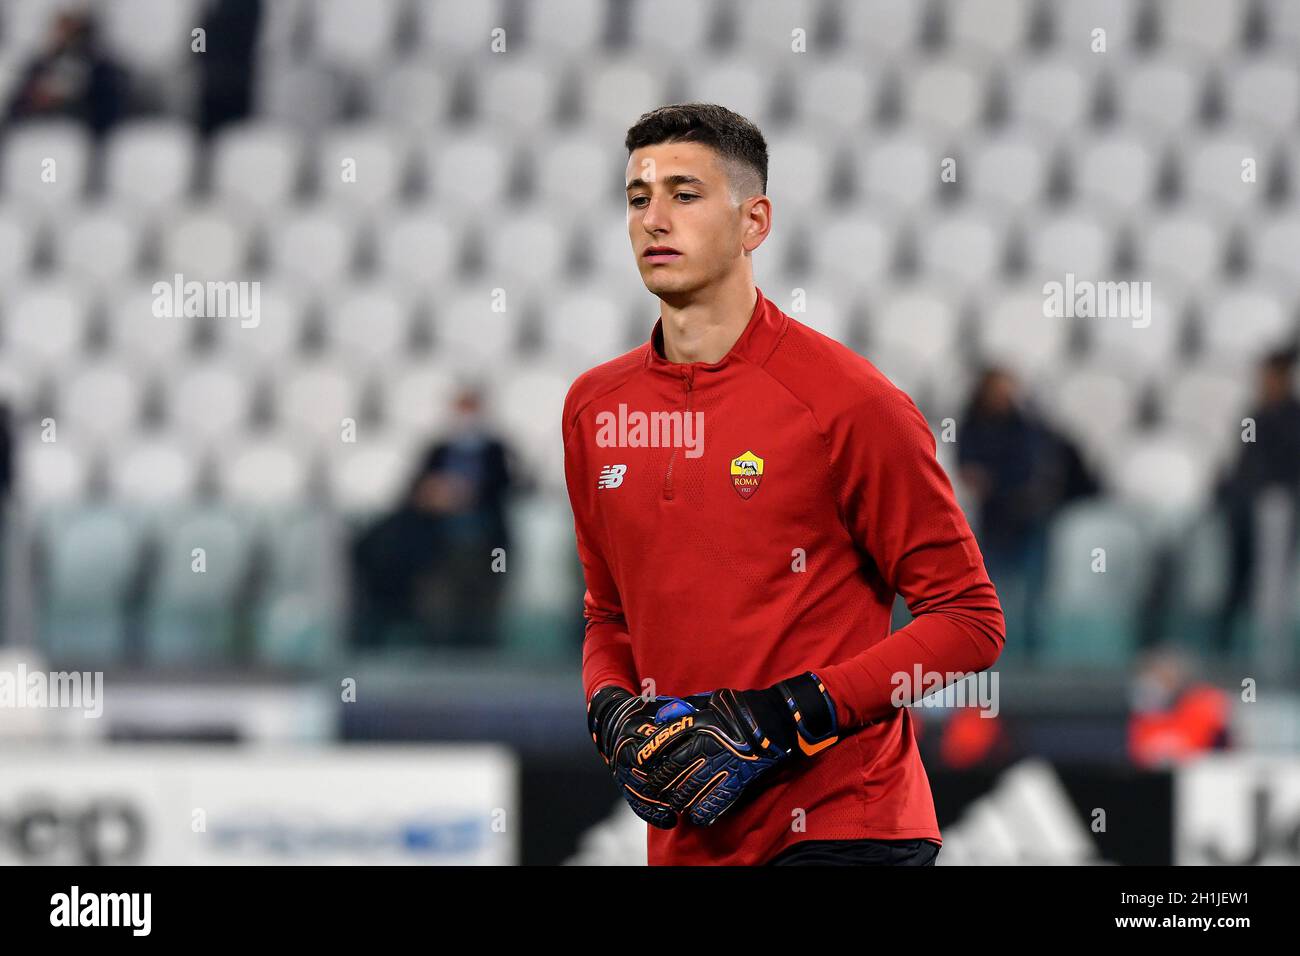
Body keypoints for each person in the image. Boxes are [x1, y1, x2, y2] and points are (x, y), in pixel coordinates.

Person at [564, 104, 1005, 866]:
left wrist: (787, 713)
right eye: (638, 198)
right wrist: (608, 705)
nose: (654, 219)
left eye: (685, 193)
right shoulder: (595, 409)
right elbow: (609, 615)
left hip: (847, 829)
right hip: (688, 843)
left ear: (754, 222)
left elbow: (969, 620)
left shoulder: (850, 402)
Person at [349, 386, 514, 650]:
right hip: (435, 536)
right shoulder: (437, 450)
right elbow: (417, 489)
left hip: (486, 536)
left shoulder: (497, 451)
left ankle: (478, 644)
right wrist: (437, 495)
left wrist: (467, 494)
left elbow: (507, 488)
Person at [956, 367, 1095, 659]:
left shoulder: (1028, 428)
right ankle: (992, 653)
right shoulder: (974, 427)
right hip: (995, 523)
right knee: (991, 592)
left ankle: (1032, 656)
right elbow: (972, 472)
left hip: (1030, 518)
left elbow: (1038, 470)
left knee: (1033, 595)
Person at [1214, 347, 1300, 656]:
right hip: (1244, 508)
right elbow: (1242, 464)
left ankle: (1269, 654)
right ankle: (1232, 646)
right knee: (1237, 580)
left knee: (1271, 586)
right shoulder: (1257, 416)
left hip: (1276, 507)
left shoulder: (1290, 418)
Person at [4, 9, 124, 137]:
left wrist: (66, 100)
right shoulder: (39, 64)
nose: (62, 35)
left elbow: (106, 110)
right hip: (35, 133)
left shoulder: (102, 70)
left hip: (78, 133)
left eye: (72, 29)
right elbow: (15, 107)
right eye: (60, 28)